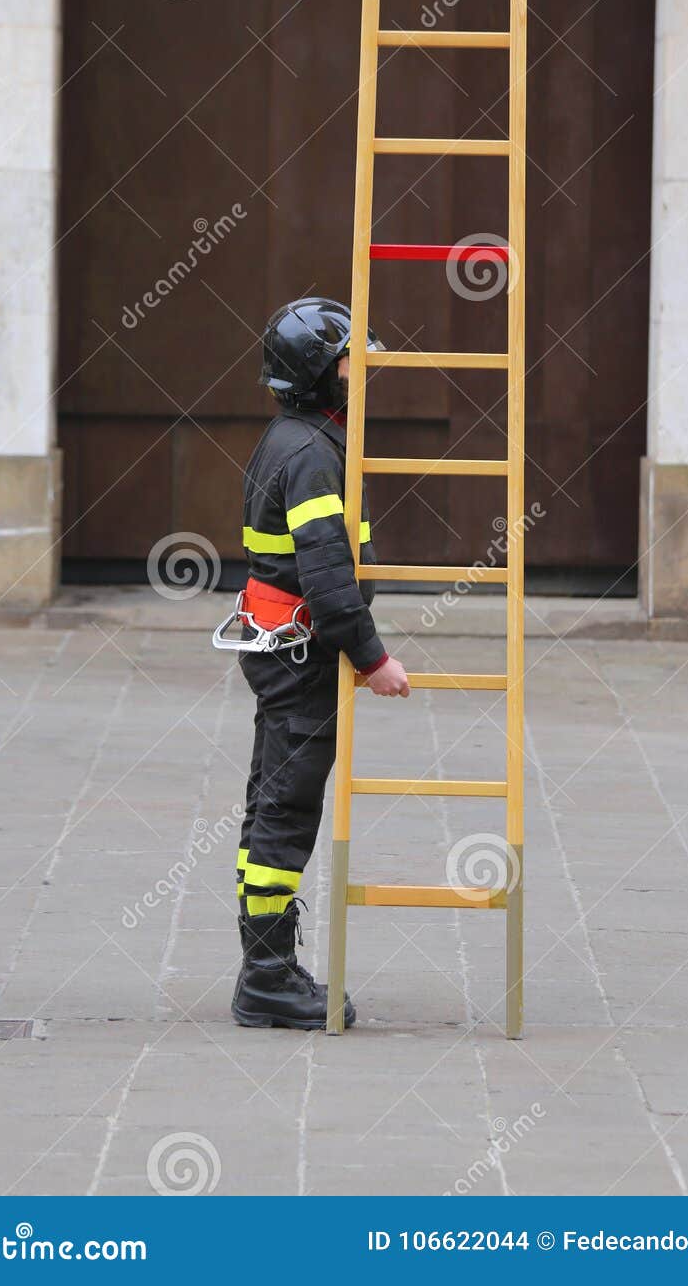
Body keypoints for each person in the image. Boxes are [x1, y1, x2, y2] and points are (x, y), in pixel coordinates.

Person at [231, 297, 410, 1030]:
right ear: (317, 375)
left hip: (284, 647)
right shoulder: (310, 454)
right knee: (285, 809)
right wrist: (375, 660)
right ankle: (267, 978)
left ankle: (265, 967)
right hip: (303, 652)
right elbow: (330, 579)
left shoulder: (300, 438)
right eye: (349, 365)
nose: (359, 377)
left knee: (271, 803)